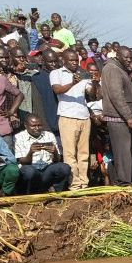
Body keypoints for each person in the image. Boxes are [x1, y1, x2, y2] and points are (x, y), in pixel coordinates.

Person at [49, 50, 91, 189]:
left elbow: (90, 92)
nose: (74, 63)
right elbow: (57, 90)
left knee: (83, 153)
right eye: (71, 60)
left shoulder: (83, 73)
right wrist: (73, 83)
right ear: (64, 61)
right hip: (67, 117)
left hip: (84, 116)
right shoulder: (56, 73)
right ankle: (74, 184)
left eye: (76, 61)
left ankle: (84, 183)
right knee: (69, 153)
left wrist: (95, 84)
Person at [100, 47, 132, 184]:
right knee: (123, 153)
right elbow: (116, 95)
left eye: (130, 58)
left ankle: (120, 182)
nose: (128, 60)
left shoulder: (118, 68)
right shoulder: (113, 69)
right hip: (118, 118)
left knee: (123, 152)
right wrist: (128, 116)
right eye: (126, 57)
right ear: (118, 56)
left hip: (120, 117)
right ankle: (123, 183)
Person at [14, 114, 71, 193]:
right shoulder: (19, 137)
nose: (37, 128)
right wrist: (30, 152)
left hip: (47, 170)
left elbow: (57, 160)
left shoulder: (49, 135)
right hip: (30, 169)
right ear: (26, 125)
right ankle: (30, 194)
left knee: (64, 167)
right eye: (33, 126)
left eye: (39, 125)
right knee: (29, 171)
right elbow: (22, 162)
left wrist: (54, 152)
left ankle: (56, 191)